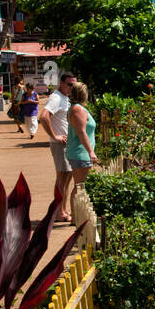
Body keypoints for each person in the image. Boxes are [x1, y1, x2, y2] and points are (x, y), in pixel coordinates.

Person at [41, 73, 75, 222]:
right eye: (69, 84)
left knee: (67, 177)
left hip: (65, 143)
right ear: (61, 83)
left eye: (73, 84)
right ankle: (58, 212)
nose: (71, 87)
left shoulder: (65, 98)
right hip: (59, 144)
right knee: (62, 178)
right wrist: (55, 136)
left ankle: (63, 209)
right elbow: (44, 116)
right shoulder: (56, 98)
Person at [65, 81, 98, 223]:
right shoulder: (77, 109)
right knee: (80, 186)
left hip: (79, 152)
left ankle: (75, 215)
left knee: (80, 185)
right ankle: (75, 216)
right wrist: (91, 151)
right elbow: (81, 132)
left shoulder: (77, 108)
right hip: (80, 152)